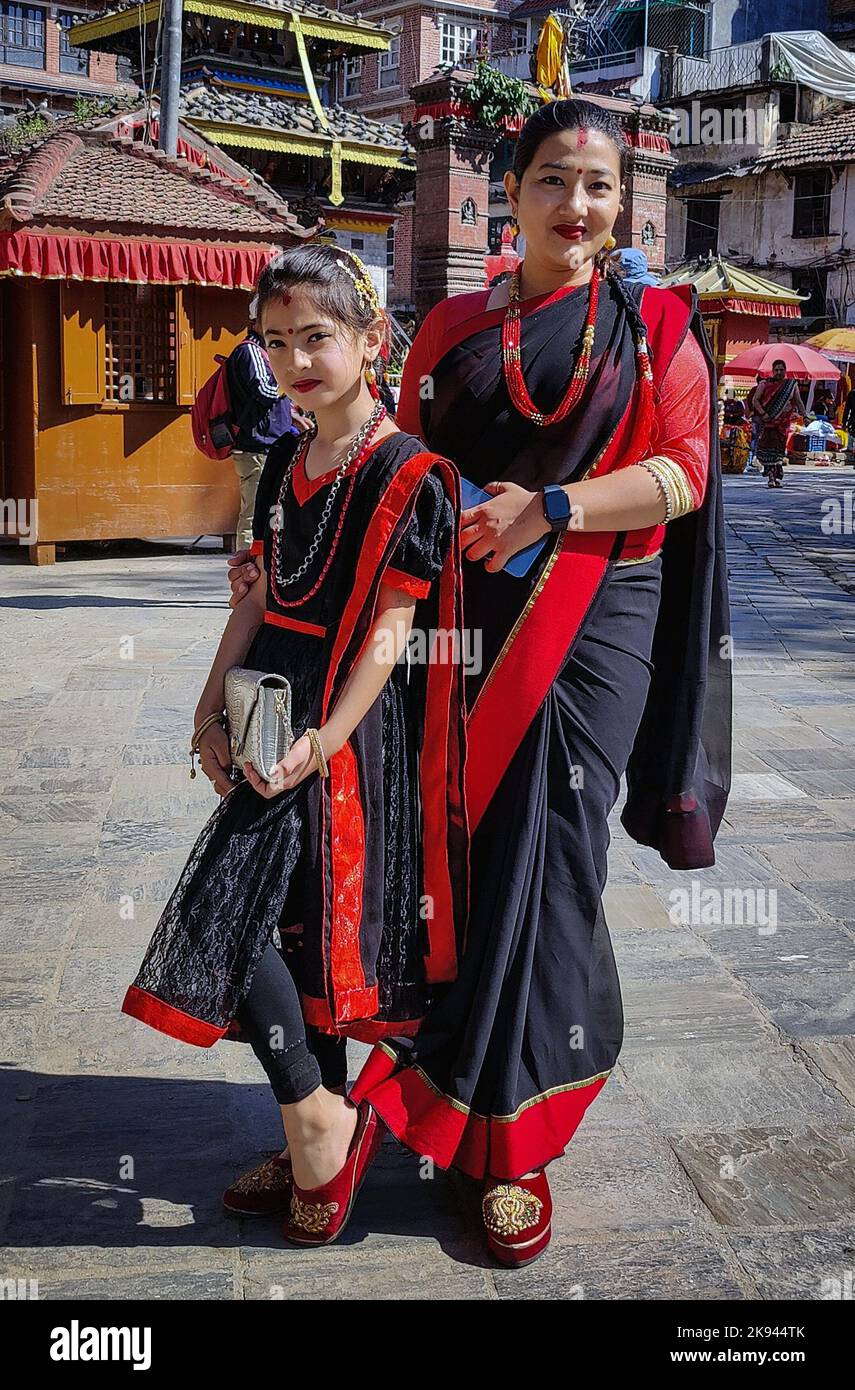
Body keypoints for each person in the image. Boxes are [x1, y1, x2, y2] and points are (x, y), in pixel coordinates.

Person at [229, 97, 731, 1268]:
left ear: (625, 201)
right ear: (511, 190)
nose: (580, 204)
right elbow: (396, 470)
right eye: (555, 179)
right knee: (428, 855)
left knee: (548, 852)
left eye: (602, 185)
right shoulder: (453, 327)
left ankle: (511, 1142)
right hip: (451, 619)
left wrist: (551, 507)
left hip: (594, 613)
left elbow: (689, 474)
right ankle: (367, 1108)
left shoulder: (657, 326)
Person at [120, 245, 468, 1247]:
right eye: (276, 344)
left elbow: (395, 631)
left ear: (371, 340)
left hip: (348, 735)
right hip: (271, 699)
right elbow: (265, 590)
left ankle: (318, 1121)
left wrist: (326, 741)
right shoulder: (286, 457)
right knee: (276, 928)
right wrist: (204, 705)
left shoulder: (411, 475)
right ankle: (316, 1116)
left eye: (315, 338)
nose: (295, 361)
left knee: (245, 916)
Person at [226, 321, 299, 549]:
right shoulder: (251, 350)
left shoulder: (261, 351)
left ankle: (267, 561)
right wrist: (288, 380)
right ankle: (247, 566)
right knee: (253, 513)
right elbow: (265, 391)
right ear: (255, 322)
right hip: (257, 446)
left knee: (271, 512)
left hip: (268, 444)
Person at [753, 359, 806, 487]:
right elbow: (755, 400)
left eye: (781, 370)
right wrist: (764, 414)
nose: (778, 372)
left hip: (783, 424)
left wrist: (805, 416)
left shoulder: (791, 385)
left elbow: (798, 401)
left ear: (785, 371)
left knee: (779, 451)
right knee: (768, 450)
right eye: (776, 370)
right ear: (772, 371)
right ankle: (771, 477)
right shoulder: (764, 384)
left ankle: (776, 477)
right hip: (769, 422)